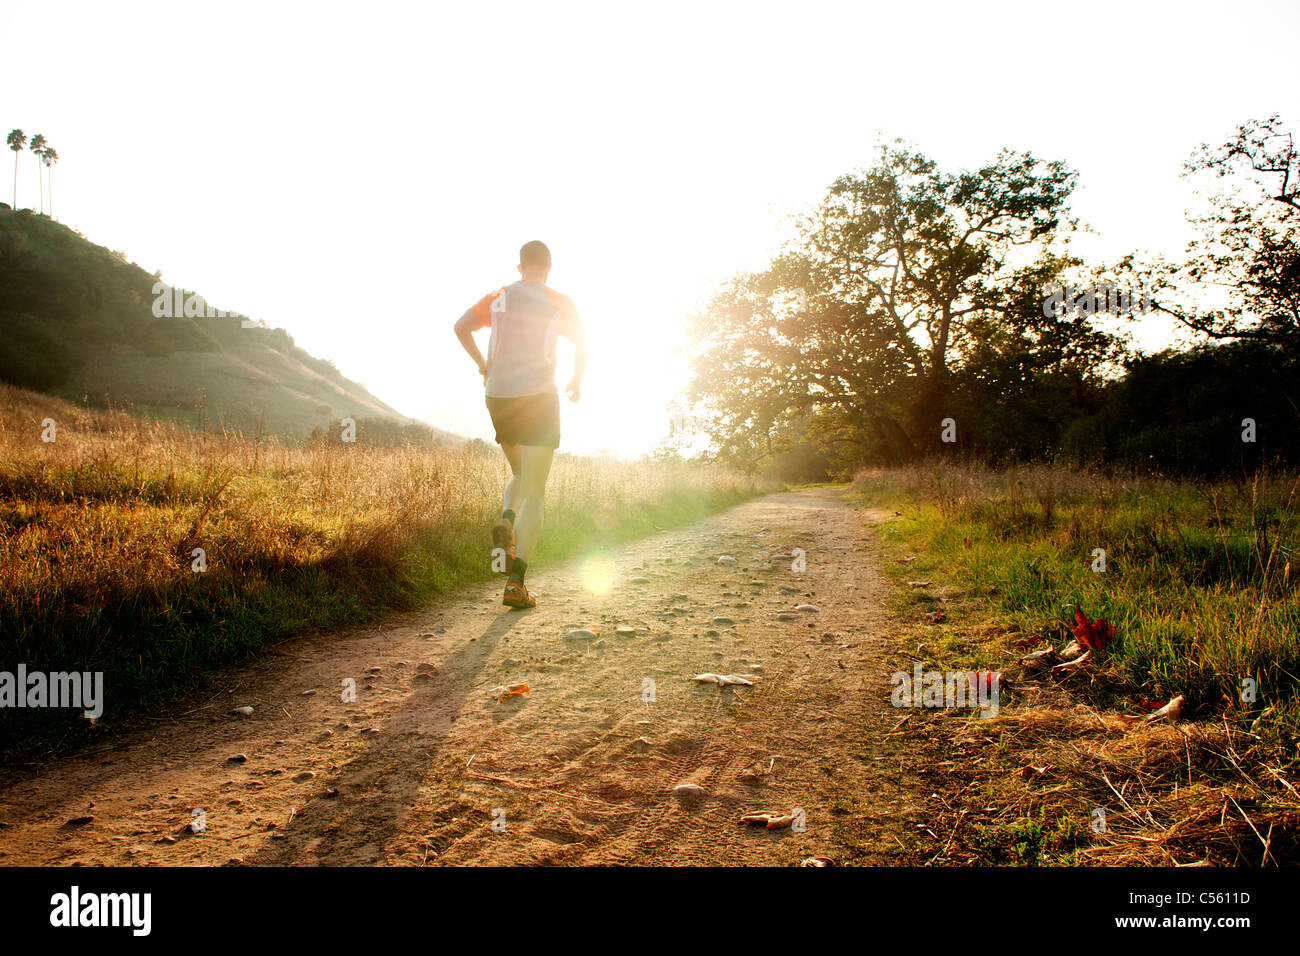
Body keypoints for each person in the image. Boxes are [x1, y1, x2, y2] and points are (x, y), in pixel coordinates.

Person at [453, 240, 589, 609]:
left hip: (499, 396)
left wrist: (484, 365)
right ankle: (515, 583)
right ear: (548, 267)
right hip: (538, 396)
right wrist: (575, 380)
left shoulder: (499, 297)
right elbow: (583, 343)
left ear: (519, 268)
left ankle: (506, 518)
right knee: (537, 490)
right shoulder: (558, 300)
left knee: (520, 472)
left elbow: (461, 327)